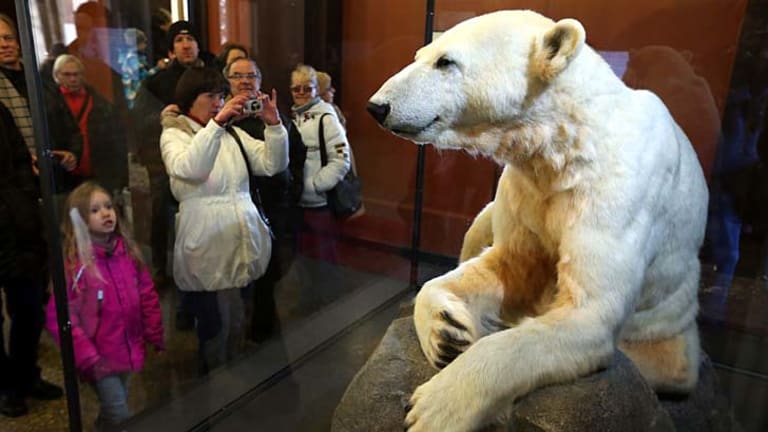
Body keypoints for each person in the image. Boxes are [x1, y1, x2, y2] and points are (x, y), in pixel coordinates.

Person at [160, 66, 288, 373]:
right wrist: (217, 125)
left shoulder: (234, 134)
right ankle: (212, 390)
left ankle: (237, 382)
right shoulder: (174, 135)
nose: (219, 102)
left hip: (241, 241)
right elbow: (192, 168)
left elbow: (273, 164)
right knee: (212, 326)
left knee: (238, 319)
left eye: (221, 95)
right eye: (211, 96)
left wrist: (274, 126)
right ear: (190, 99)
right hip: (207, 246)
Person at [45, 181, 163, 429]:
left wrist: (153, 330)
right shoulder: (75, 265)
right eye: (95, 210)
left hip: (129, 348)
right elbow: (59, 315)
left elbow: (147, 293)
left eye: (108, 206)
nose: (106, 213)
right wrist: (86, 356)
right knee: (119, 410)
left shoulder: (128, 253)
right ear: (79, 219)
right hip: (98, 357)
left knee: (114, 406)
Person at [224, 56, 303, 341]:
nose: (244, 81)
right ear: (227, 81)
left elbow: (296, 155)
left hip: (272, 204)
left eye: (251, 75)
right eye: (237, 76)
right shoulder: (220, 116)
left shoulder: (273, 111)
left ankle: (261, 328)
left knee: (268, 270)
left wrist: (291, 190)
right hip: (233, 206)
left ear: (260, 80)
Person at [133, 20, 212, 288]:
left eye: (190, 38)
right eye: (179, 40)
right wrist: (161, 116)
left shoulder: (212, 74)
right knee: (160, 214)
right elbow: (140, 119)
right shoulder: (156, 82)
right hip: (166, 159)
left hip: (207, 156)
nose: (186, 44)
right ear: (171, 48)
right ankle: (159, 267)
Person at [0, 103, 63, 417]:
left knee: (28, 308)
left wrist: (23, 198)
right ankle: (5, 387)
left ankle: (25, 377)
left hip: (14, 220)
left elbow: (21, 159)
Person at [48, 54, 128, 196]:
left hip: (96, 173)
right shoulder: (49, 104)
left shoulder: (100, 104)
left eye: (76, 74)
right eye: (67, 75)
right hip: (65, 175)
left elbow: (115, 142)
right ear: (56, 76)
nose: (72, 79)